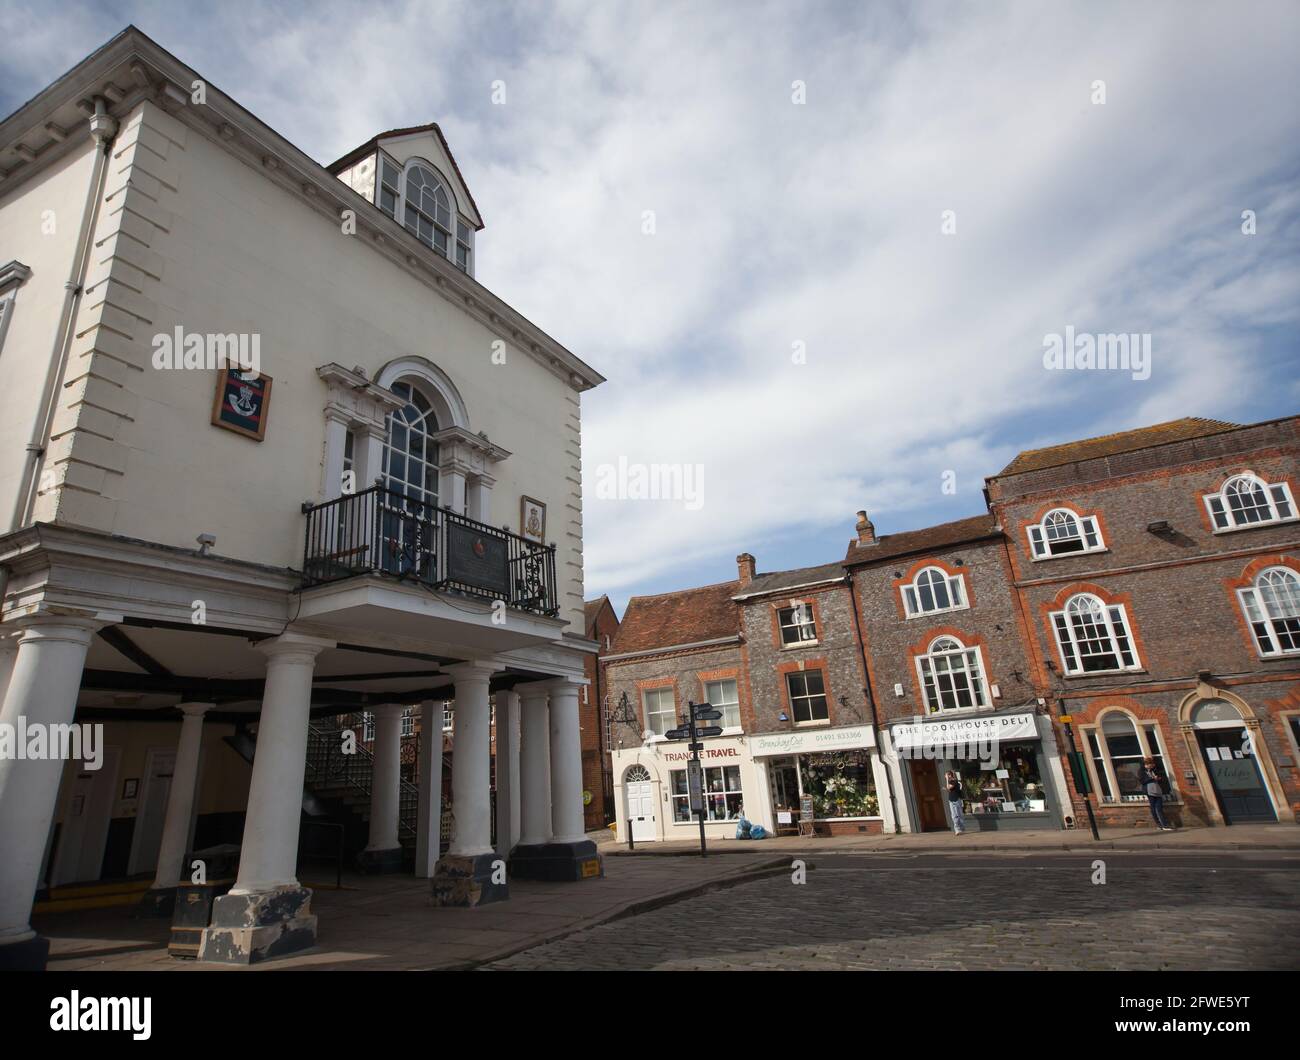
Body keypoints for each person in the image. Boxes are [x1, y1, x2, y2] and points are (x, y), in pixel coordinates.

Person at [1139, 758, 1172, 831]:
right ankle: (1162, 825)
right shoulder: (1142, 772)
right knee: (1154, 808)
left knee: (1159, 808)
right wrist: (1153, 778)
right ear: (1145, 765)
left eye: (1151, 764)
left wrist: (1159, 778)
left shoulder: (1154, 771)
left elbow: (1161, 778)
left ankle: (1162, 825)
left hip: (1157, 790)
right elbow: (1142, 781)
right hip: (1149, 791)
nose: (1151, 765)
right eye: (1149, 764)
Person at [945, 770, 965, 835]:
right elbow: (949, 789)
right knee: (954, 815)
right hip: (951, 800)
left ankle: (961, 827)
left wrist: (947, 780)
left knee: (959, 815)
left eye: (947, 775)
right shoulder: (951, 781)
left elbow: (949, 787)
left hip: (956, 800)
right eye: (946, 775)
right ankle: (957, 829)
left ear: (950, 775)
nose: (946, 776)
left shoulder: (954, 781)